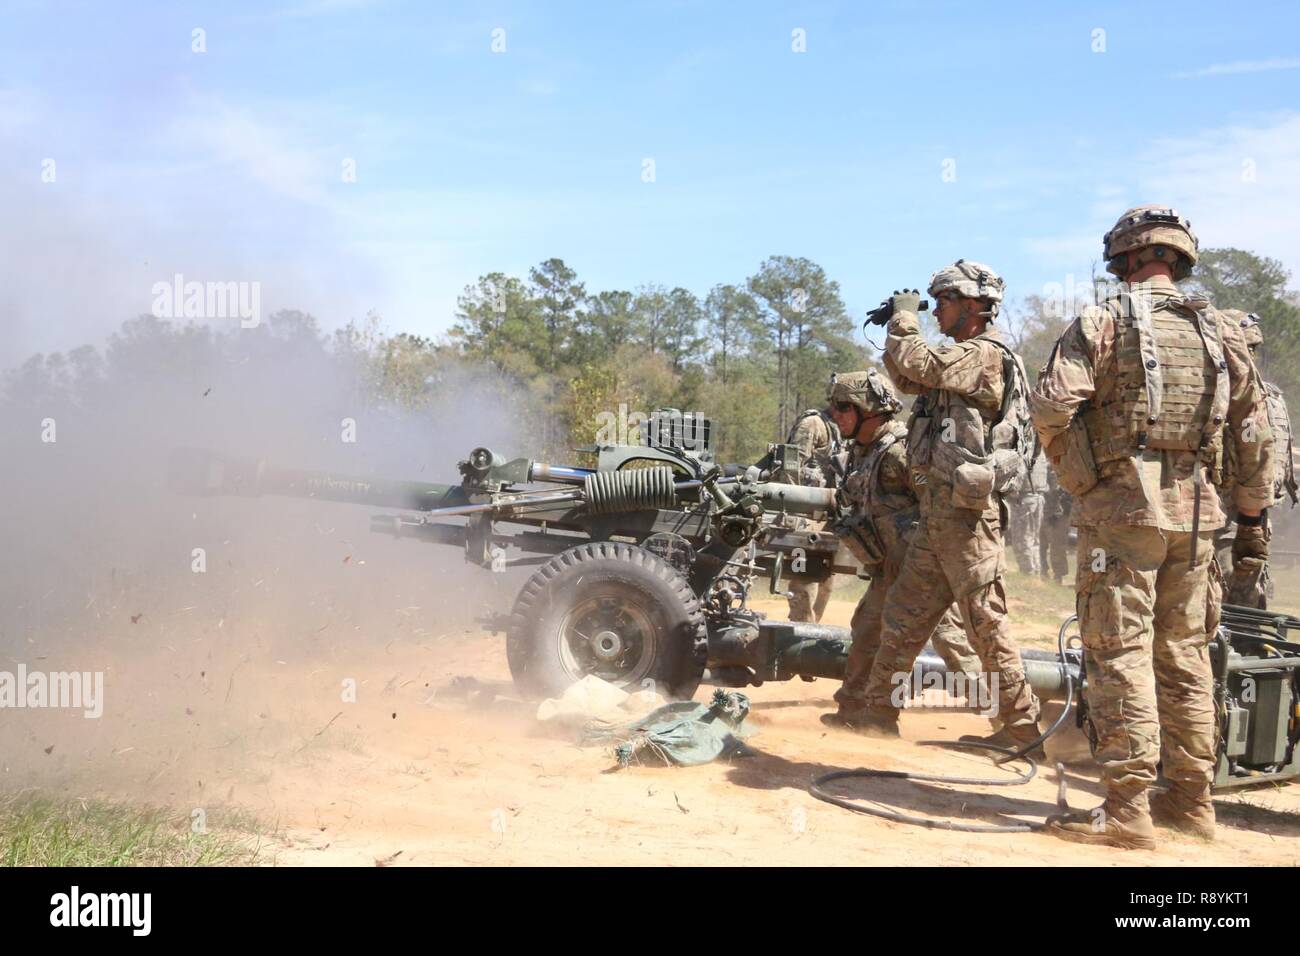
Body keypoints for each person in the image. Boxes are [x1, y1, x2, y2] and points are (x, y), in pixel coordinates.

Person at [1030, 205, 1275, 848]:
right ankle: (1192, 805)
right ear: (1178, 257)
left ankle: (1127, 810)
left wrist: (1082, 476)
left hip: (1122, 516)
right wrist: (1249, 515)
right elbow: (1257, 436)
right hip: (1198, 519)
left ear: (1125, 260)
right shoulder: (1222, 333)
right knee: (1187, 657)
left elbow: (1053, 405)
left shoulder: (1102, 321)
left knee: (1119, 655)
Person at [855, 261, 1043, 750]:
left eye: (944, 302)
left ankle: (1022, 729)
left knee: (986, 625)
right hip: (939, 518)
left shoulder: (984, 356)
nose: (936, 310)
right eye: (933, 303)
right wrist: (900, 330)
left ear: (975, 306)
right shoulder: (962, 360)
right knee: (902, 617)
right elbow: (909, 379)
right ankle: (876, 714)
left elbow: (923, 365)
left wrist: (904, 320)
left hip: (968, 521)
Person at [822, 369, 984, 728]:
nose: (835, 414)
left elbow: (939, 506)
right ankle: (854, 713)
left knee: (955, 647)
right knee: (866, 630)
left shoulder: (900, 452)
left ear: (870, 409)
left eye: (843, 406)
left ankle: (1011, 725)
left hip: (921, 574)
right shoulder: (861, 452)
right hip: (890, 570)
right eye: (833, 406)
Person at [1215, 310, 1297, 608]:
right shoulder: (1227, 394)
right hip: (1229, 519)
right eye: (1245, 347)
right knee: (1227, 597)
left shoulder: (1265, 398)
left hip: (1244, 520)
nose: (1248, 354)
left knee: (1245, 598)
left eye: (1251, 349)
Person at [783, 398, 844, 622]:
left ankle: (813, 627)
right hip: (807, 511)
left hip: (830, 511)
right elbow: (791, 466)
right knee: (805, 576)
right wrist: (795, 510)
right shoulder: (813, 424)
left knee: (827, 580)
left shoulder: (841, 429)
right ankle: (801, 626)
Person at [1007, 449, 1047, 575]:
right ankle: (1035, 571)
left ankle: (1028, 572)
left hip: (1024, 500)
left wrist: (1009, 492)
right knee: (1034, 539)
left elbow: (1020, 475)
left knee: (1023, 538)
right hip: (1038, 497)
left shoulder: (1022, 451)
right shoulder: (1039, 452)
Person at [1038, 468, 1072, 585]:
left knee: (1057, 547)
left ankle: (1058, 576)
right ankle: (1043, 572)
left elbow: (1060, 492)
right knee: (1041, 545)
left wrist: (1058, 511)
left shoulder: (1061, 471)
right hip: (1045, 513)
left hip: (1058, 516)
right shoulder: (1045, 468)